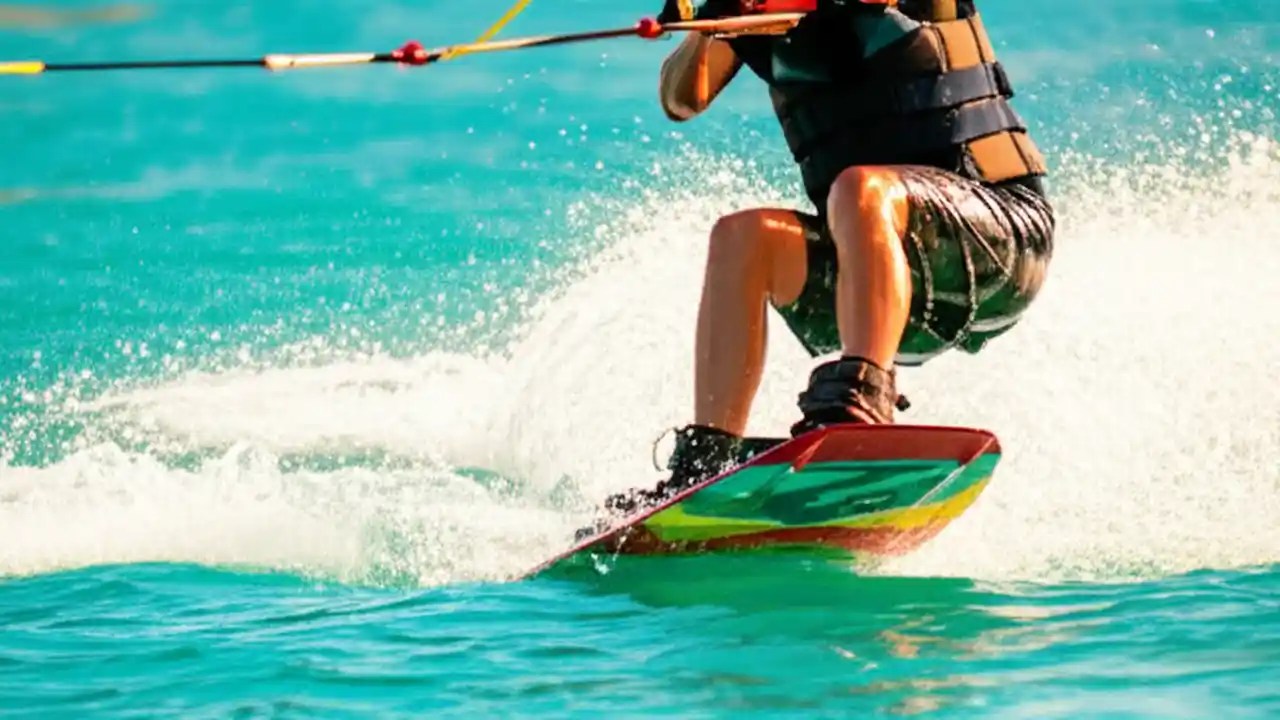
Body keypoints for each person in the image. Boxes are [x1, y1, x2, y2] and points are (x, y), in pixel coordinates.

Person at [600, 0, 1055, 519]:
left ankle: (864, 396)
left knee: (860, 189)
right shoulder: (757, 12)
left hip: (1000, 243)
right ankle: (707, 460)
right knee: (741, 237)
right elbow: (681, 98)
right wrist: (714, 20)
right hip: (884, 279)